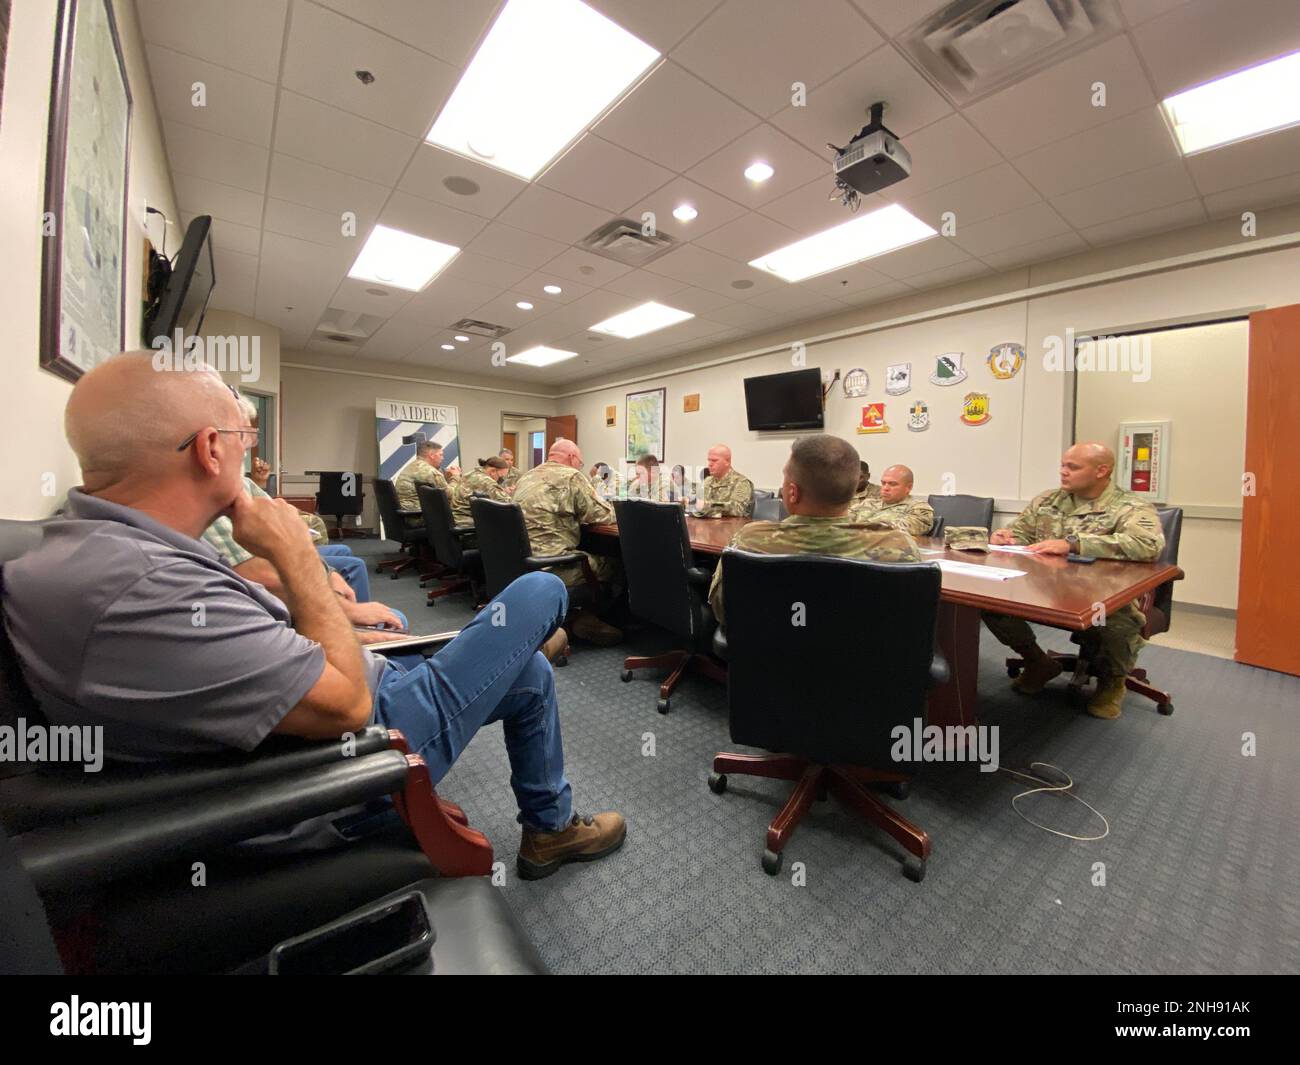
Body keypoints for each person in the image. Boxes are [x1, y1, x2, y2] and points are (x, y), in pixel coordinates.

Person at [2, 354, 625, 879]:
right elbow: (348, 706)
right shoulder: (138, 586)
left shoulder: (104, 549)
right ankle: (529, 643)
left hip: (320, 713)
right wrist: (296, 555)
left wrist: (345, 622)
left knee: (528, 676)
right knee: (541, 589)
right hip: (352, 757)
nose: (250, 454)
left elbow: (263, 643)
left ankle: (549, 829)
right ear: (211, 450)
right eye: (244, 438)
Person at [983, 442, 1164, 720]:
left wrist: (1075, 544)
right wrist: (1005, 536)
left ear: (1102, 471)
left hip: (1101, 591)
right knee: (990, 602)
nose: (1063, 472)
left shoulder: (1129, 506)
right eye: (1062, 465)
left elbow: (1147, 544)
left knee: (1115, 617)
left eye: (1073, 467)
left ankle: (1112, 681)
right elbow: (1021, 532)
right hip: (1044, 588)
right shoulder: (1048, 500)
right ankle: (1037, 661)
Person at [708, 436, 921, 627]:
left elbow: (723, 609)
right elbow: (909, 620)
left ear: (792, 492)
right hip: (863, 656)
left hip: (769, 650)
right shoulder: (899, 546)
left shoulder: (749, 540)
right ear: (850, 492)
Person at [204, 475, 410, 640]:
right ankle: (358, 637)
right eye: (243, 438)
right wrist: (346, 610)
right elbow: (259, 574)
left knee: (345, 557)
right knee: (397, 622)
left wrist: (328, 572)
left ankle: (359, 635)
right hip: (262, 619)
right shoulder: (215, 492)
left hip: (268, 582)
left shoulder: (240, 483)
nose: (246, 447)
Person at [512, 438, 623, 645]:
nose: (579, 467)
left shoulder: (527, 476)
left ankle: (579, 616)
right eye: (580, 463)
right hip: (554, 566)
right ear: (572, 458)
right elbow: (602, 514)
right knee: (616, 563)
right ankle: (593, 618)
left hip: (522, 562)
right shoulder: (572, 476)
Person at [848, 465, 935, 536]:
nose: (885, 488)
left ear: (908, 487)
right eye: (883, 483)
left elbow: (900, 529)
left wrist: (858, 527)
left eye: (892, 484)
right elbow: (842, 521)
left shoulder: (918, 508)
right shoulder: (868, 503)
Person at [393, 440, 448, 522]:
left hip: (403, 516)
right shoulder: (431, 472)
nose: (442, 458)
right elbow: (449, 495)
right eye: (440, 455)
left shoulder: (411, 466)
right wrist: (455, 477)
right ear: (432, 455)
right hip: (418, 517)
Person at [695, 444, 754, 518]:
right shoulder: (707, 481)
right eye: (709, 460)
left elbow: (737, 509)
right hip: (706, 523)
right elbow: (696, 504)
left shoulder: (741, 482)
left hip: (731, 524)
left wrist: (707, 506)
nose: (710, 464)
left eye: (714, 460)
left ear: (727, 461)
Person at [451, 456, 510, 526]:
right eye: (501, 477)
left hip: (456, 518)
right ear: (492, 471)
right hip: (466, 521)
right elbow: (507, 504)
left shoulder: (471, 474)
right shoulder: (486, 481)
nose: (501, 480)